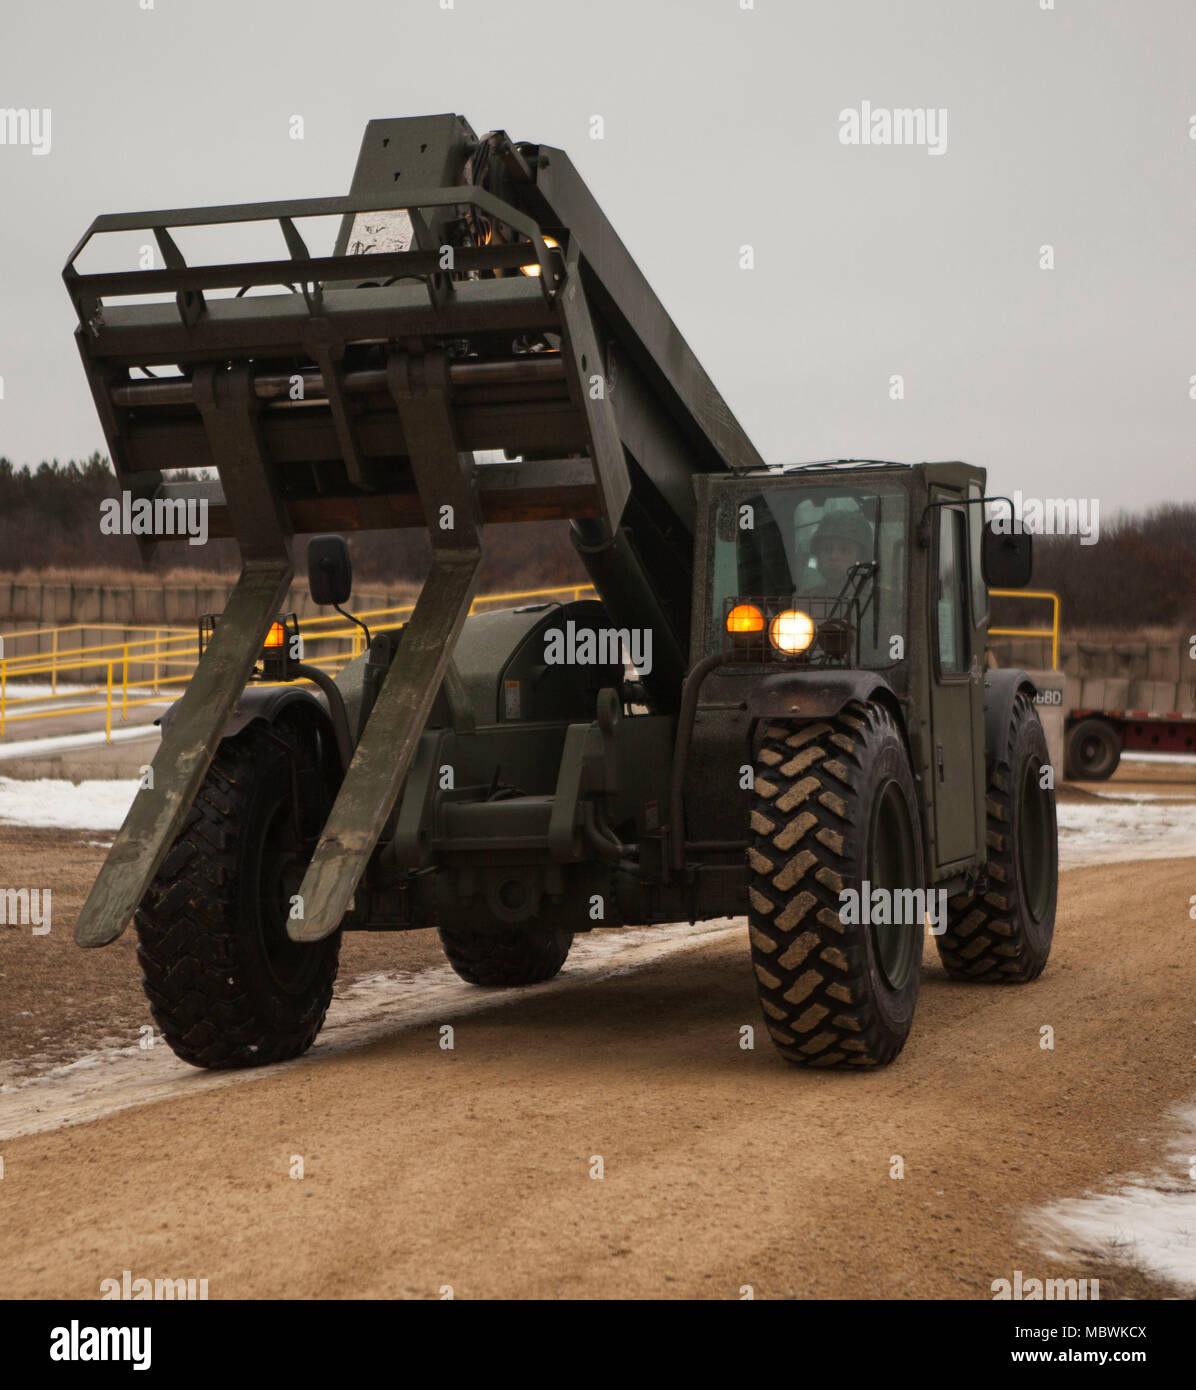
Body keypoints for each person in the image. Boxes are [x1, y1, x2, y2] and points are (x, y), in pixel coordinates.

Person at [805, 510, 873, 595]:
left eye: (845, 550)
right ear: (817, 554)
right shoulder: (805, 601)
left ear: (862, 558)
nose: (834, 556)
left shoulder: (879, 602)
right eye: (827, 549)